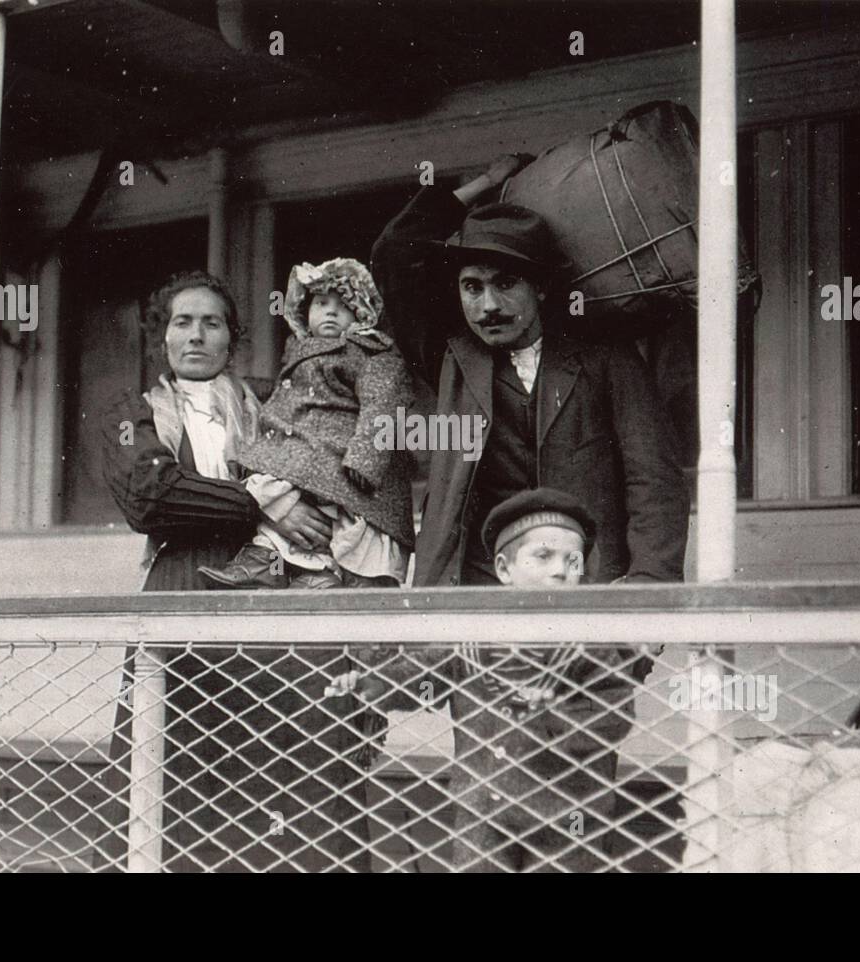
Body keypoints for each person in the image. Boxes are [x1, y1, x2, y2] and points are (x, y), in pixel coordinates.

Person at [95, 269, 376, 871]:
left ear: (232, 337)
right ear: (162, 337)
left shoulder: (272, 402)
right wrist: (263, 502)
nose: (196, 335)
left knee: (289, 768)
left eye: (212, 323)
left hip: (278, 595)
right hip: (184, 589)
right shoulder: (133, 410)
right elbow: (152, 496)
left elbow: (327, 459)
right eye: (182, 322)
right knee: (172, 766)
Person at [370, 155, 690, 588]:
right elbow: (393, 251)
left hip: (584, 584)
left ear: (539, 288)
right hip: (476, 589)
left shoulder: (606, 358)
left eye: (505, 284)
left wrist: (649, 584)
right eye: (472, 287)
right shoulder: (450, 358)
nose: (488, 307)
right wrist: (485, 181)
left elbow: (653, 479)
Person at [328, 487, 647, 871]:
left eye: (573, 561)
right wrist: (372, 684)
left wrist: (552, 717)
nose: (561, 570)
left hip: (566, 813)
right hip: (482, 810)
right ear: (504, 569)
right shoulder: (472, 640)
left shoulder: (588, 646)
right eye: (543, 556)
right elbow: (423, 675)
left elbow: (615, 712)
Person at [202, 258, 415, 589]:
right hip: (302, 447)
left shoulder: (370, 352)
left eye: (343, 305)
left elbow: (383, 402)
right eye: (321, 303)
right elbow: (287, 394)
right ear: (304, 311)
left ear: (361, 314)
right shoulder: (298, 352)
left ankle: (322, 574)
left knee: (343, 520)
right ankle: (266, 561)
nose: (330, 311)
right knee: (269, 484)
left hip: (339, 451)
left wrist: (365, 457)